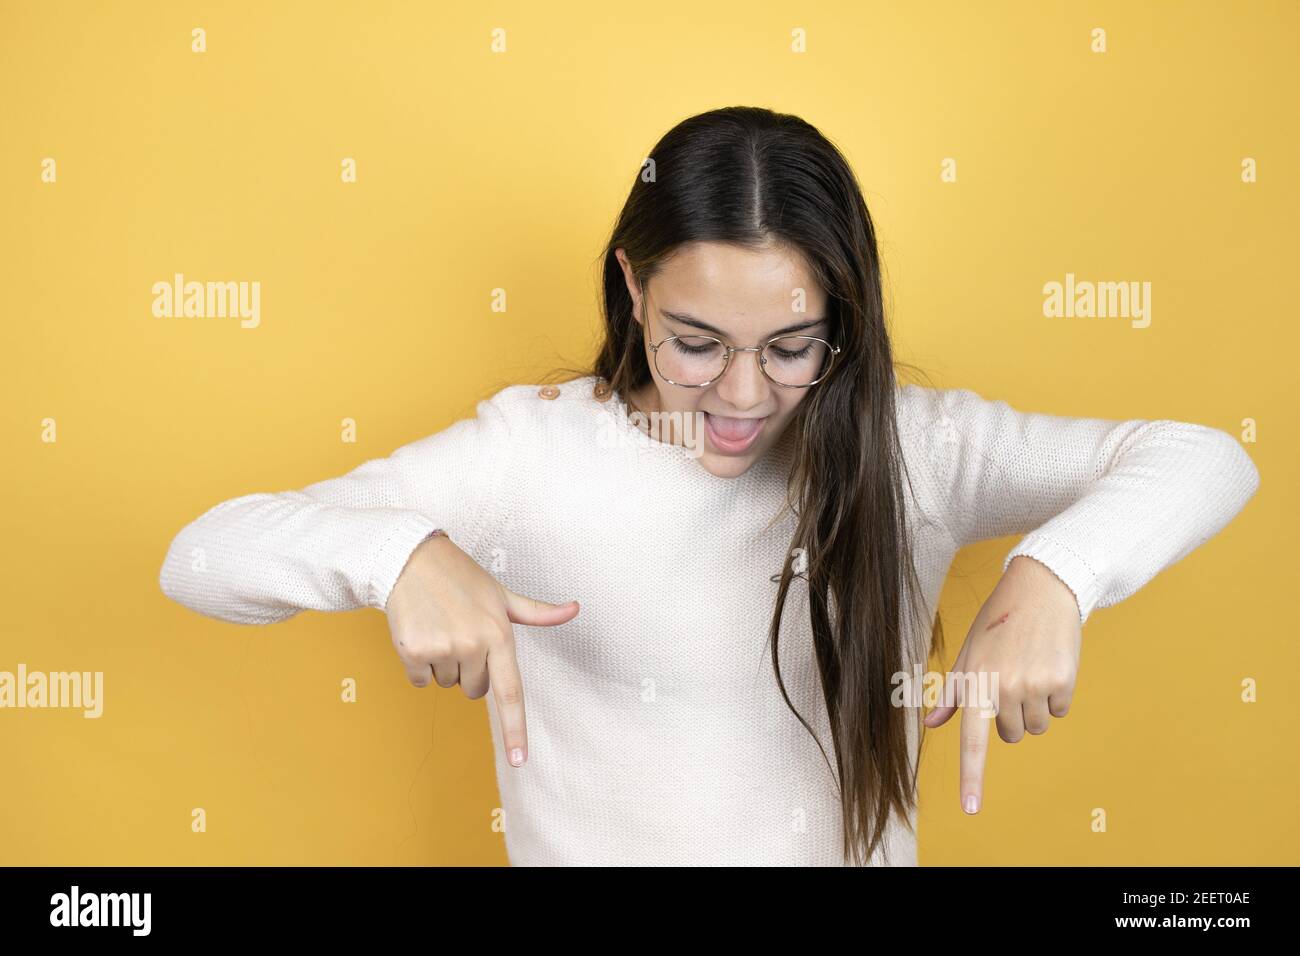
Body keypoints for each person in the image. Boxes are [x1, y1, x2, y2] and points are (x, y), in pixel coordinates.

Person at [158, 106, 1260, 866]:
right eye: (695, 340)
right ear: (632, 286)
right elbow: (200, 556)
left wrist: (1050, 576)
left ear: (846, 319)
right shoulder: (528, 452)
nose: (741, 393)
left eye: (793, 344)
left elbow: (1207, 455)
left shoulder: (912, 447)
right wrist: (395, 550)